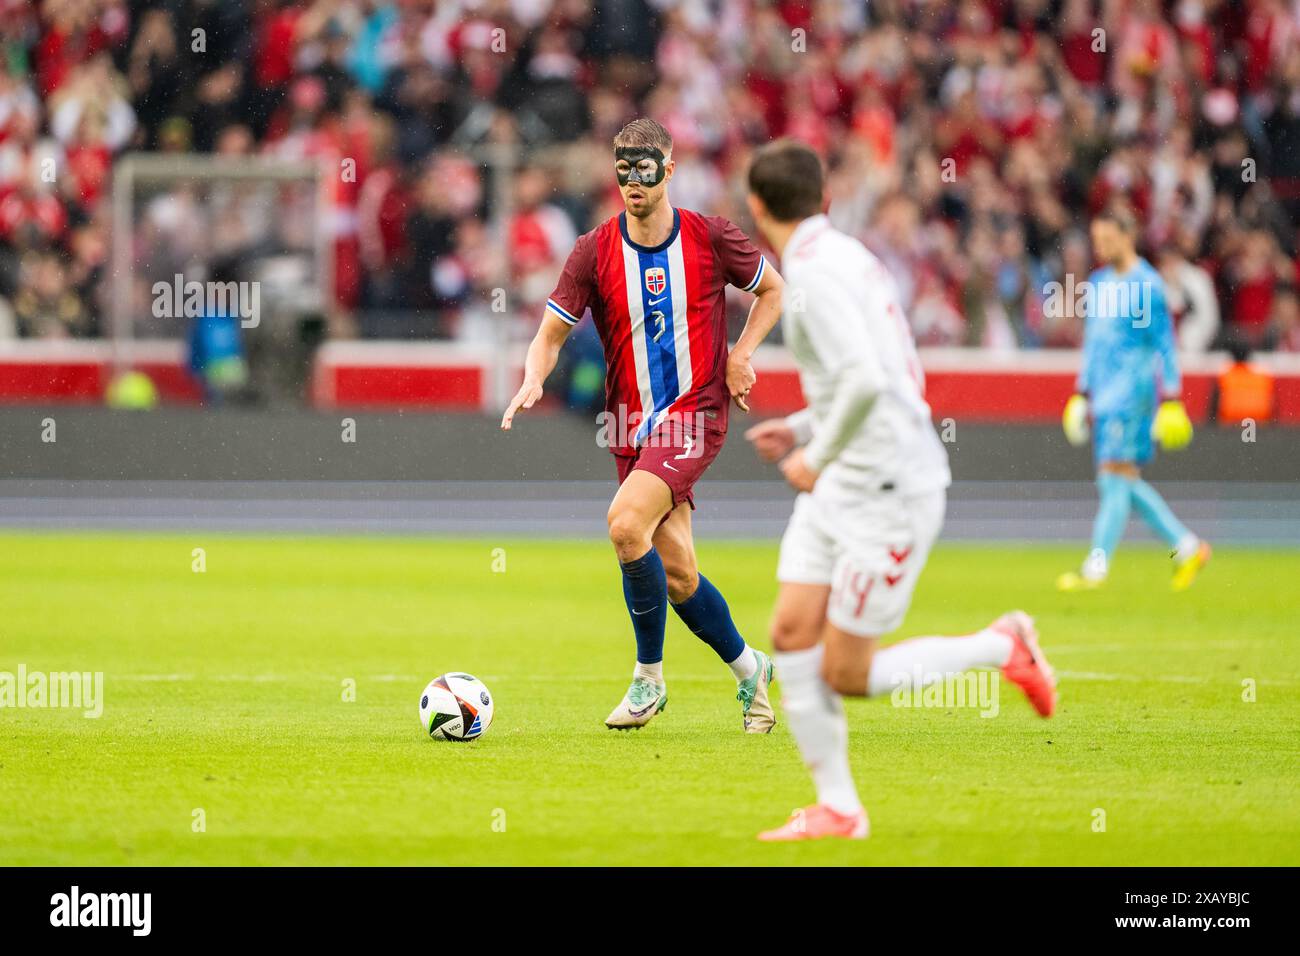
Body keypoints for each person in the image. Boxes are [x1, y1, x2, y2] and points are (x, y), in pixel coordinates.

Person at [743, 140, 1056, 842]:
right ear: (823, 199)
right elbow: (871, 370)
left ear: (757, 208)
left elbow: (865, 380)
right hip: (845, 478)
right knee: (791, 631)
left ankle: (1000, 647)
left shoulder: (817, 276)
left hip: (886, 488)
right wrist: (799, 426)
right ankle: (838, 808)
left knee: (847, 673)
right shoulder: (847, 257)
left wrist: (814, 454)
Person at [501, 118, 785, 732]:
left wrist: (740, 355)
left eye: (645, 168)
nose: (634, 180)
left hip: (695, 413)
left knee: (625, 524)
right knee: (678, 569)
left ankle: (648, 680)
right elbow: (551, 334)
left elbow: (773, 291)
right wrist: (533, 377)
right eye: (623, 168)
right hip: (631, 424)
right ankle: (750, 670)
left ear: (669, 172)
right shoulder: (593, 250)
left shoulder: (710, 237)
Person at [1058, 204, 1210, 592]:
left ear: (1128, 237)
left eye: (1108, 239)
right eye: (1097, 240)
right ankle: (1186, 546)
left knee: (1113, 479)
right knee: (1120, 481)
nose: (1102, 246)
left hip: (1134, 396)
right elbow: (1093, 344)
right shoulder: (1099, 284)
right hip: (1104, 398)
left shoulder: (1147, 286)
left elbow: (1164, 344)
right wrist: (1081, 392)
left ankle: (1096, 566)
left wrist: (1172, 398)